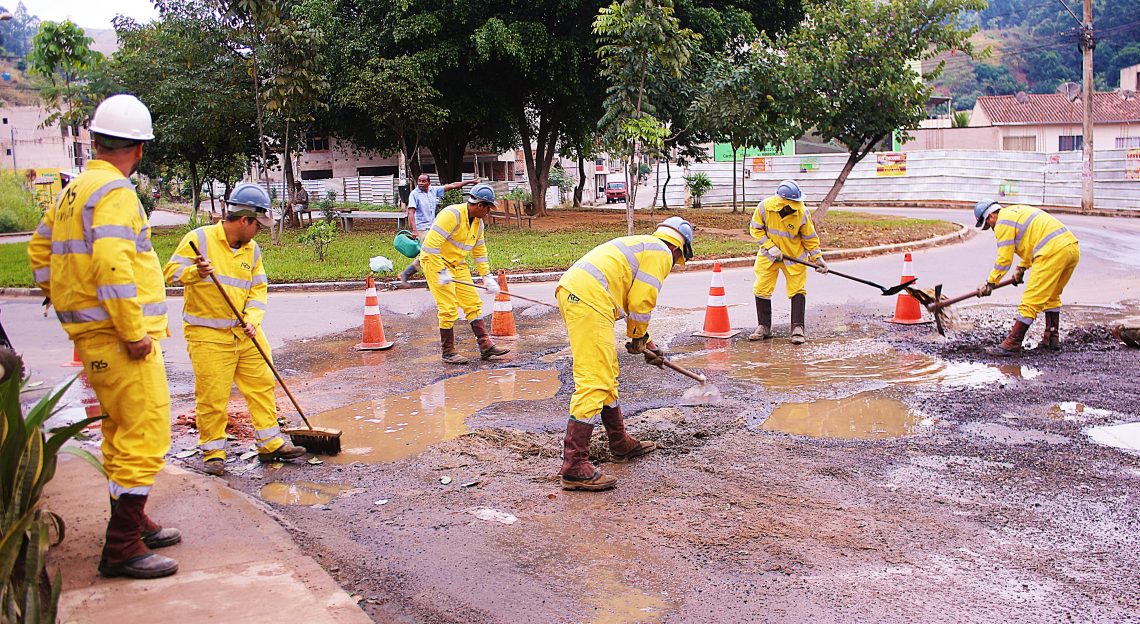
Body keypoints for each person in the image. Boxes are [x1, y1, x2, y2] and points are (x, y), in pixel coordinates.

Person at [27, 94, 180, 580]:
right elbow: (113, 264)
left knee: (119, 432)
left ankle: (134, 521)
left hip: (93, 336)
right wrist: (132, 331)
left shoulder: (73, 190)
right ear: (139, 149)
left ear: (94, 140)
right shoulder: (115, 192)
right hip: (120, 340)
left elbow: (38, 249)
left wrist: (67, 302)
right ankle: (122, 546)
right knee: (148, 433)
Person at [164, 183, 307, 476]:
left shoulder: (252, 250)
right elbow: (169, 273)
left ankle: (270, 444)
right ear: (244, 220)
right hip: (208, 335)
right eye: (258, 225)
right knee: (213, 394)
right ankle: (214, 453)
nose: (259, 231)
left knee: (262, 385)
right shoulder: (199, 239)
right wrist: (196, 272)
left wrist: (252, 320)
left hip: (244, 331)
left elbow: (258, 289)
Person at [555, 216, 694, 491]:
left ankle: (620, 443)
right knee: (595, 381)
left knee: (608, 374)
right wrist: (637, 337)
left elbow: (633, 306)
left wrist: (646, 342)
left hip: (580, 294)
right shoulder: (662, 254)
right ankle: (574, 466)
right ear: (679, 249)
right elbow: (642, 302)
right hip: (588, 299)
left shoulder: (646, 245)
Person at [973, 200, 1080, 356]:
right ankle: (1051, 339)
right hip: (1071, 248)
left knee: (1031, 300)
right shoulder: (1015, 212)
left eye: (988, 224)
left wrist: (990, 283)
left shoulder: (1002, 223)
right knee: (1052, 295)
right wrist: (1021, 268)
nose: (991, 228)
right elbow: (1033, 241)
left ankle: (1012, 343)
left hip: (1052, 251)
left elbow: (1004, 259)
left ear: (991, 215)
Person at [420, 183, 509, 364]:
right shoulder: (451, 215)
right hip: (435, 262)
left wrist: (487, 277)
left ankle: (485, 345)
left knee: (472, 303)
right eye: (488, 208)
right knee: (448, 307)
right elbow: (429, 247)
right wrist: (441, 271)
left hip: (457, 265)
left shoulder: (478, 223)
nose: (489, 213)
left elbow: (479, 251)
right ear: (480, 205)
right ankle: (448, 351)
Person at [748, 180, 827, 344]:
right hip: (769, 255)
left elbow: (810, 238)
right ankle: (764, 326)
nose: (795, 205)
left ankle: (797, 328)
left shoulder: (802, 212)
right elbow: (755, 229)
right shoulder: (764, 207)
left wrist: (817, 258)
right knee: (761, 287)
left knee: (797, 288)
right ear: (781, 202)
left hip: (794, 256)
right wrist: (769, 246)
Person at [398, 173, 480, 286]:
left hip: (432, 227)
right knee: (429, 253)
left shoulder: (433, 190)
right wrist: (414, 230)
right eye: (419, 181)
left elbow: (452, 186)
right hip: (422, 228)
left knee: (428, 254)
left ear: (429, 182)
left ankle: (424, 278)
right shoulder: (414, 194)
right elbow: (411, 212)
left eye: (423, 181)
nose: (420, 183)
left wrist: (470, 182)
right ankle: (410, 275)